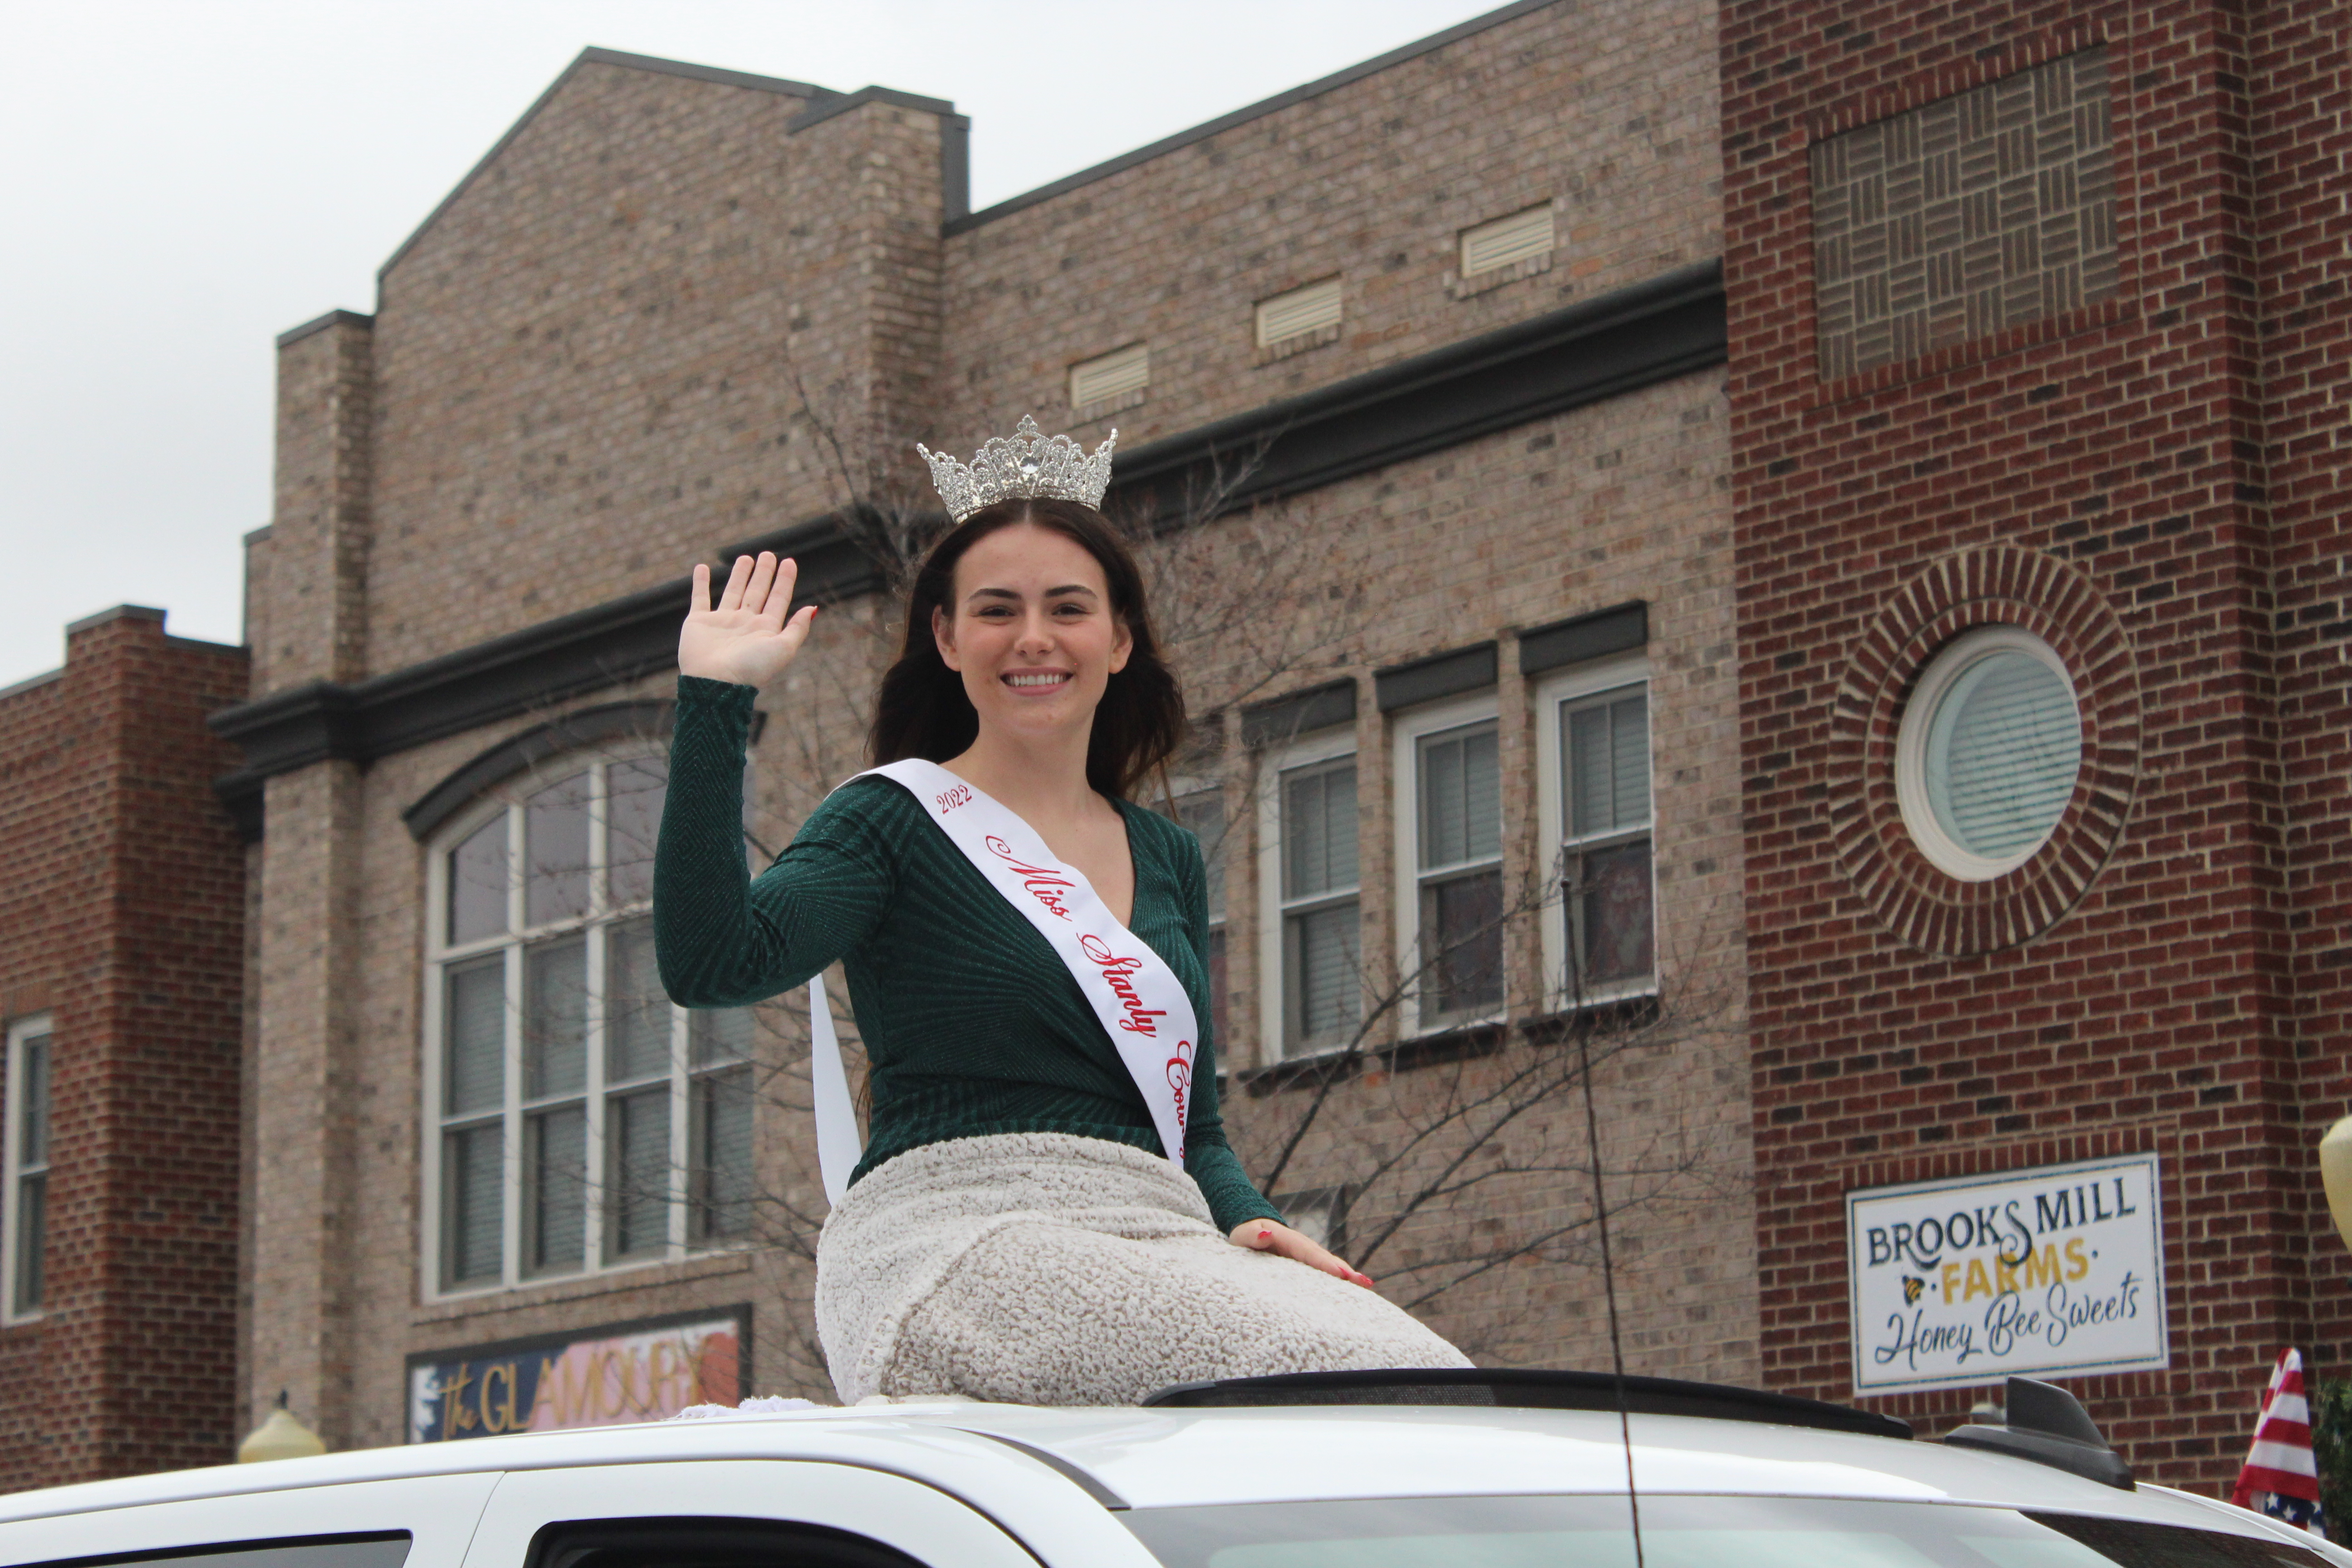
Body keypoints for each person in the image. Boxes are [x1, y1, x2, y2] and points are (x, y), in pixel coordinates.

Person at [655, 417, 1469, 1405]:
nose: (1033, 638)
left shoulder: (1164, 852)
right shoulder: (891, 821)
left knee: (1439, 1383)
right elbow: (712, 963)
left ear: (1119, 640)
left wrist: (1248, 1217)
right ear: (947, 639)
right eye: (997, 610)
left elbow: (1192, 1126)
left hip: (1158, 1231)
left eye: (1067, 608)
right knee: (1345, 1375)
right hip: (951, 1242)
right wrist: (713, 703)